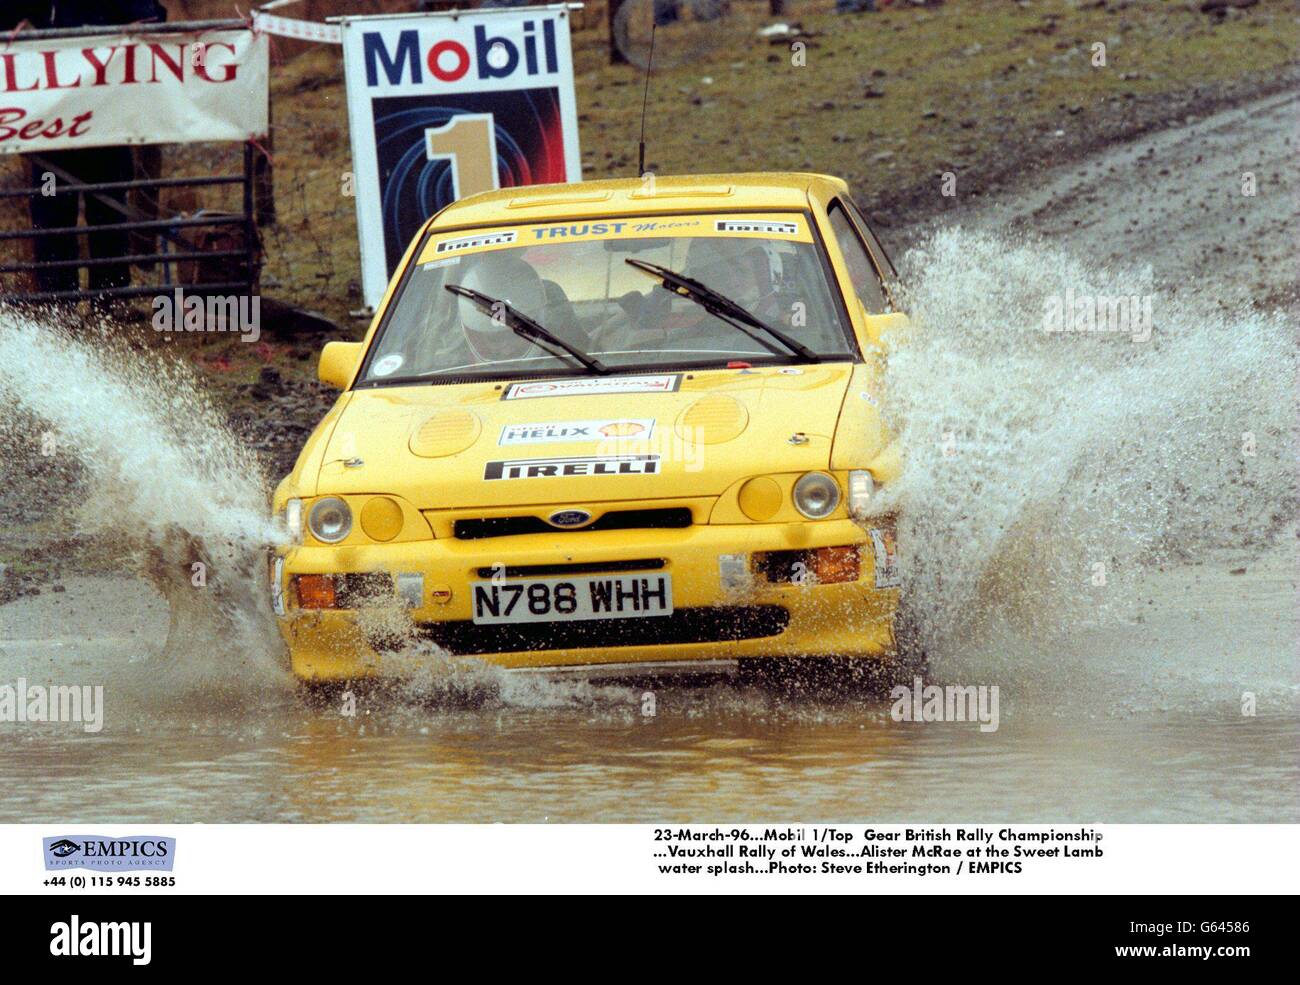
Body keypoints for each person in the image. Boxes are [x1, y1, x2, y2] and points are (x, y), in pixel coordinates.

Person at [5, 2, 168, 297]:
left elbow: (152, 16)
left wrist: (130, 28)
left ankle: (110, 299)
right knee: (51, 209)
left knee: (108, 210)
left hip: (104, 126)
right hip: (52, 136)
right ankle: (58, 301)